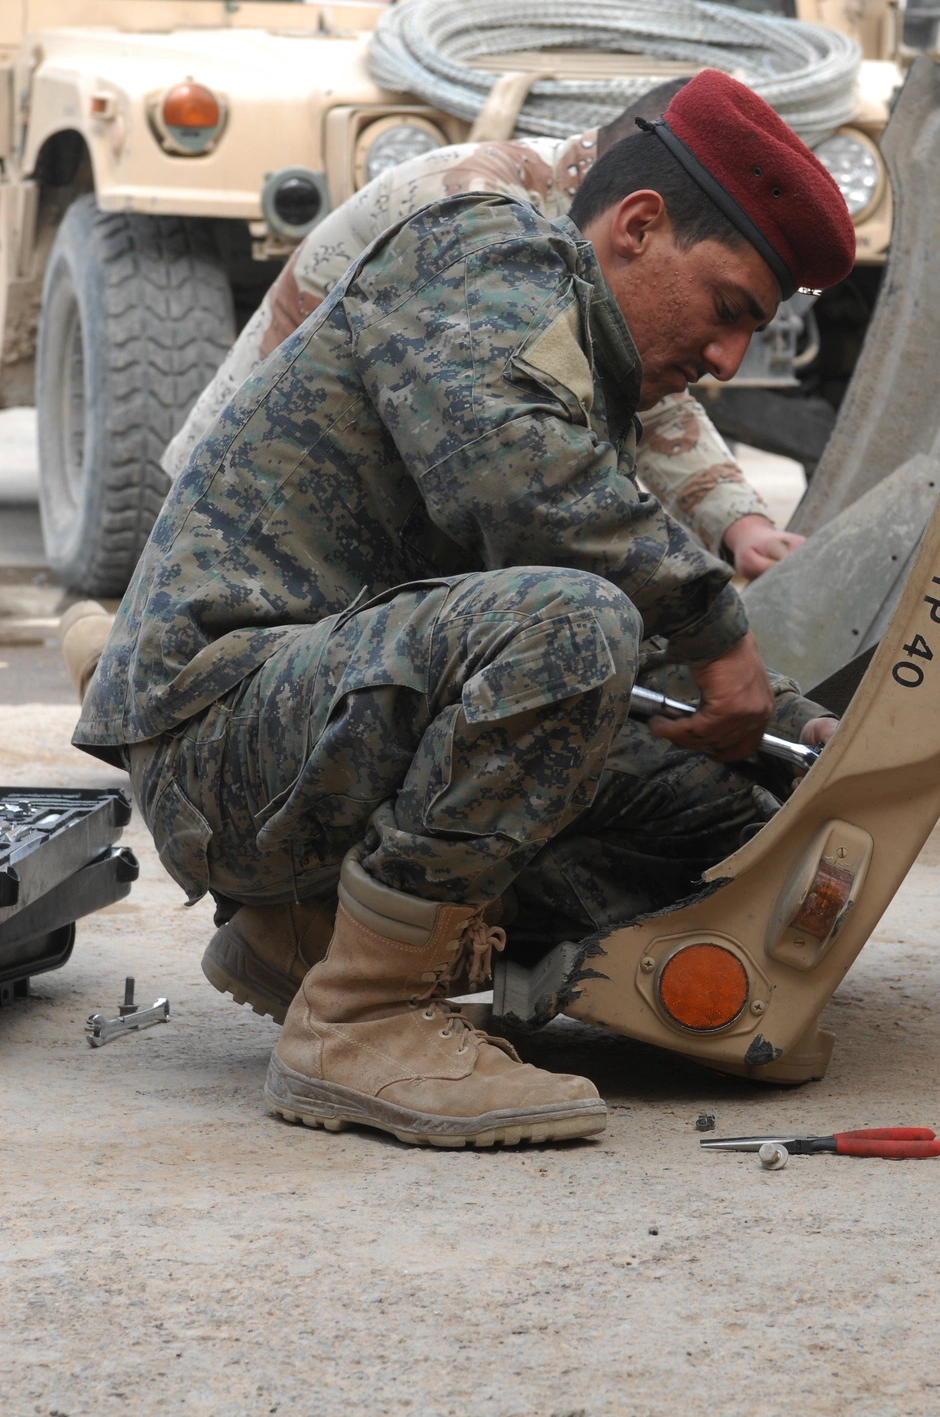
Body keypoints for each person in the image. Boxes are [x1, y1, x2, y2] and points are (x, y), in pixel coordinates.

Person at [74, 72, 852, 1149]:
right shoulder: (480, 251)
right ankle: (362, 1019)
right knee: (574, 626)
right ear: (638, 225)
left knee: (716, 809)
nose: (725, 361)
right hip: (225, 735)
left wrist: (789, 720)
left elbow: (592, 565)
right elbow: (527, 493)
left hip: (320, 721)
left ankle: (306, 937)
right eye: (727, 310)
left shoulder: (583, 353)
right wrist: (721, 637)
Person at [163, 82, 804, 579]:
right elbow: (504, 454)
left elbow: (645, 385)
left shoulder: (595, 238)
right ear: (640, 218)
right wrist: (695, 617)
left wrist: (739, 523)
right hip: (249, 491)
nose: (728, 362)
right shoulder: (471, 207)